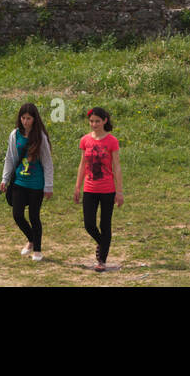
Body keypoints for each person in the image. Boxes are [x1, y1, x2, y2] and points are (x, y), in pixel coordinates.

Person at [0, 102, 54, 261]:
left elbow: (47, 163)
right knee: (17, 215)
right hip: (19, 181)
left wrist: (48, 186)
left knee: (34, 216)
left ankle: (37, 250)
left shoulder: (40, 137)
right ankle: (31, 239)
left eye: (28, 118)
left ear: (34, 119)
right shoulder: (14, 134)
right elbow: (10, 158)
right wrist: (5, 178)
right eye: (23, 118)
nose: (25, 121)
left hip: (36, 183)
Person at [74, 106, 122, 271]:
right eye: (91, 121)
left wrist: (119, 191)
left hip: (108, 189)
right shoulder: (85, 140)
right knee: (89, 224)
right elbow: (82, 165)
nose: (94, 124)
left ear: (104, 121)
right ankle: (102, 243)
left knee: (105, 224)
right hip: (90, 188)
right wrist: (77, 187)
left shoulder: (112, 141)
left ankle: (102, 260)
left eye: (97, 121)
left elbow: (116, 167)